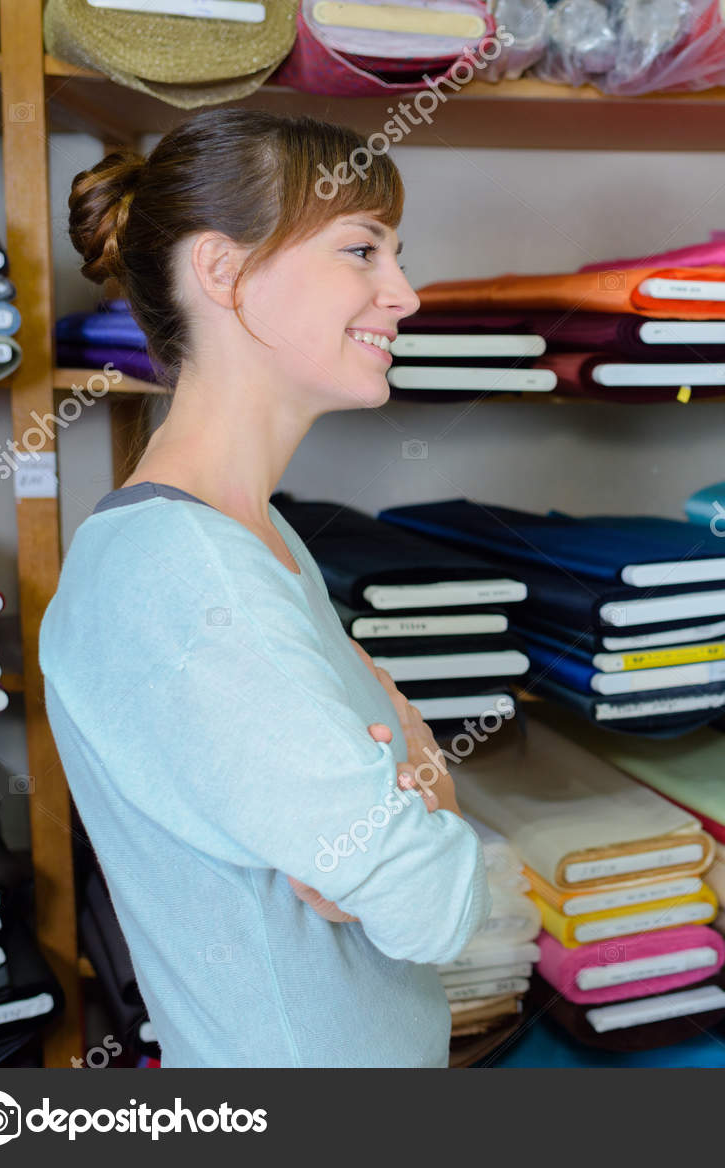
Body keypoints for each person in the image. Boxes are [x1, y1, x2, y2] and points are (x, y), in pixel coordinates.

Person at [40, 110, 490, 1067]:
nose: (403, 294)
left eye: (397, 255)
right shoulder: (186, 575)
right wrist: (427, 789)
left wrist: (414, 793)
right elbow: (433, 904)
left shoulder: (253, 533)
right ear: (221, 270)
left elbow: (379, 854)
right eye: (361, 250)